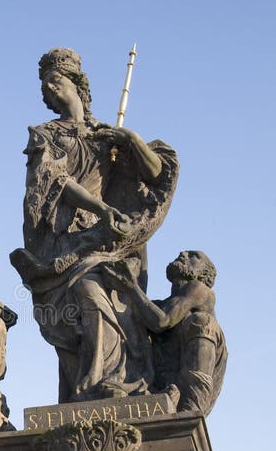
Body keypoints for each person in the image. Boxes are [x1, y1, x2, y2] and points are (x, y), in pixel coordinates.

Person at [11, 48, 179, 402]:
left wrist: (131, 141)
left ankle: (121, 381)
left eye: (56, 81)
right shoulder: (44, 134)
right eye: (45, 87)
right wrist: (101, 210)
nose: (50, 89)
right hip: (69, 240)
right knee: (89, 296)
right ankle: (93, 384)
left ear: (77, 85)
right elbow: (52, 180)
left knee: (123, 302)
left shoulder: (106, 136)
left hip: (114, 239)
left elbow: (156, 174)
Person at [103, 251, 227, 414]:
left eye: (194, 256)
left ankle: (188, 410)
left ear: (205, 274)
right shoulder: (163, 305)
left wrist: (131, 286)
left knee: (201, 321)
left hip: (193, 386)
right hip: (163, 381)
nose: (183, 254)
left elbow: (162, 321)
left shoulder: (201, 290)